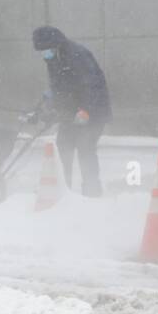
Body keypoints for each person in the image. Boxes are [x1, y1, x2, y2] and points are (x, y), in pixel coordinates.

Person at [32, 26, 111, 197]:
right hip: (72, 113)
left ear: (56, 45)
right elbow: (56, 88)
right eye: (41, 52)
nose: (44, 54)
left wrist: (86, 110)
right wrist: (44, 106)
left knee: (85, 147)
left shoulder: (78, 55)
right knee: (63, 144)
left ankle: (92, 192)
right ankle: (63, 190)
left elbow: (92, 85)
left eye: (46, 50)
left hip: (93, 111)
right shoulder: (53, 60)